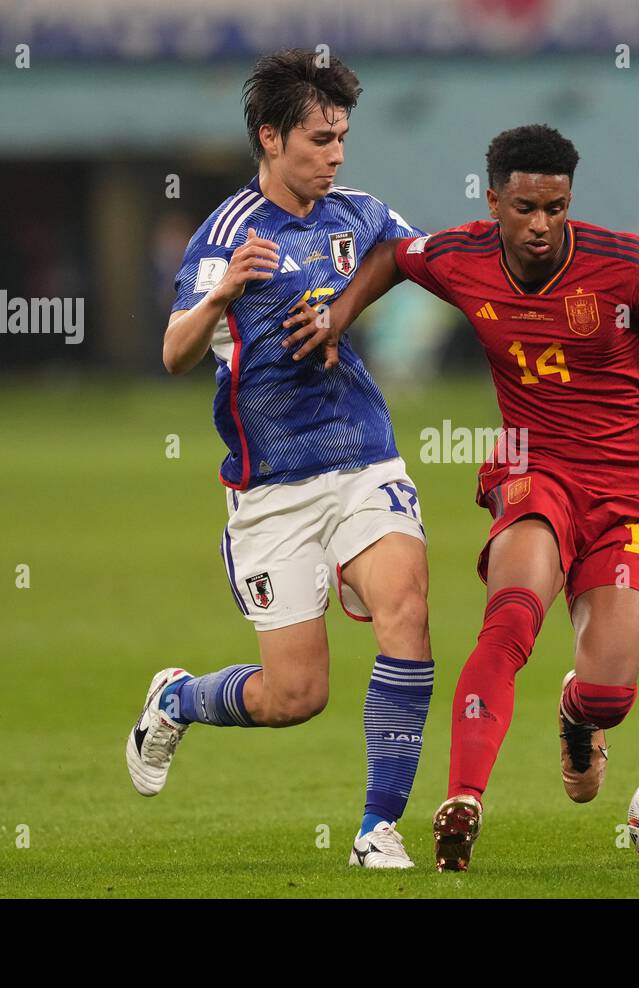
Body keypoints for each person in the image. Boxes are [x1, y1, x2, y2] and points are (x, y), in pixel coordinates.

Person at [283, 123, 639, 870]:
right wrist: (339, 316)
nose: (540, 225)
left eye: (555, 207)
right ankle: (462, 801)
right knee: (510, 618)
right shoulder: (461, 257)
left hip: (628, 491)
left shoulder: (630, 267)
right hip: (532, 470)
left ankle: (580, 717)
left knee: (610, 690)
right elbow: (392, 256)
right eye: (524, 208)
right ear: (494, 201)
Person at [126, 48, 435, 869]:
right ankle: (178, 699)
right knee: (295, 696)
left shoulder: (359, 214)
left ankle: (378, 829)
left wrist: (340, 314)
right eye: (319, 139)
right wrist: (223, 293)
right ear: (270, 137)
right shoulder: (228, 233)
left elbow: (418, 259)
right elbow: (173, 353)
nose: (336, 155)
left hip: (365, 460)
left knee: (406, 609)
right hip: (273, 492)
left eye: (342, 138)